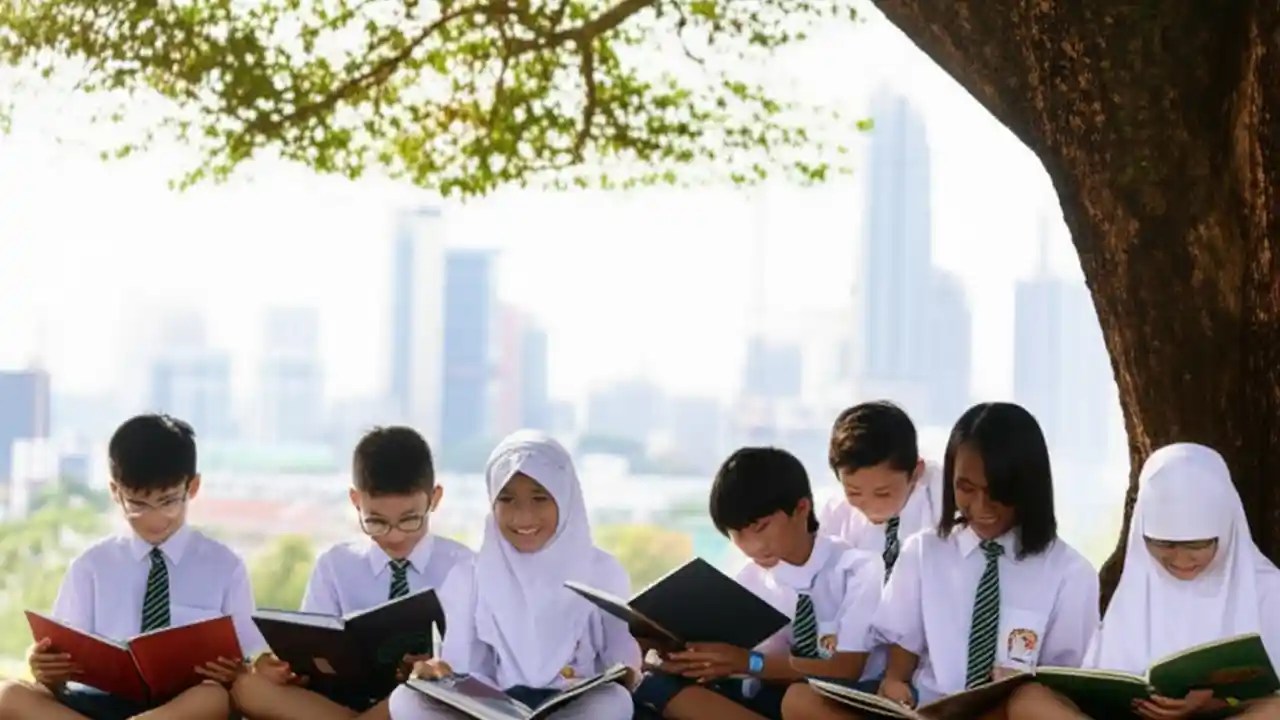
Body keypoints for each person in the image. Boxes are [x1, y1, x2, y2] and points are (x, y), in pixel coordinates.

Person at [785, 402, 1099, 719]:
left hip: (1001, 713)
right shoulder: (924, 551)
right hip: (929, 711)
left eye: (997, 492)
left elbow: (1065, 682)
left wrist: (1018, 684)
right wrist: (894, 681)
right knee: (800, 700)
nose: (980, 506)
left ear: (1029, 486)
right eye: (966, 488)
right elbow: (901, 646)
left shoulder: (1071, 573)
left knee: (1031, 701)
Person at [0, 414, 265, 720]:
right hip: (98, 704)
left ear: (192, 487)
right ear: (115, 492)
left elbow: (249, 667)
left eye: (168, 502)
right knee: (8, 696)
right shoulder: (91, 567)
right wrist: (45, 669)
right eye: (138, 504)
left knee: (213, 698)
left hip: (181, 709)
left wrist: (236, 671)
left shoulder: (225, 567)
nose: (154, 519)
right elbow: (60, 667)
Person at [1007, 443, 1280, 720]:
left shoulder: (1268, 590)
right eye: (1164, 544)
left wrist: (1213, 704)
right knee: (1028, 699)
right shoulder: (1137, 585)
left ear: (1226, 529)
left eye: (1197, 545)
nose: (1181, 560)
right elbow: (1096, 691)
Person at [388, 430, 640, 719]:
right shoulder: (468, 575)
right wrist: (439, 673)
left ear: (565, 496)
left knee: (613, 702)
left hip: (572, 708)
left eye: (539, 498)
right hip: (492, 712)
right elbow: (461, 668)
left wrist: (627, 672)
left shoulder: (602, 571)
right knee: (406, 700)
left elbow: (621, 655)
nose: (523, 516)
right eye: (507, 500)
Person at [231, 426, 472, 720]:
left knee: (417, 696)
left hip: (418, 705)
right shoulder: (336, 565)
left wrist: (434, 668)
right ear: (356, 501)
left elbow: (472, 673)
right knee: (248, 686)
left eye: (410, 520)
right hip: (339, 703)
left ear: (434, 498)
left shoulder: (463, 567)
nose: (395, 536)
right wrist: (285, 670)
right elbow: (311, 654)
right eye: (376, 522)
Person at [634, 447, 884, 720]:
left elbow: (847, 668)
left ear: (801, 509)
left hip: (839, 700)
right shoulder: (746, 580)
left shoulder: (857, 569)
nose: (751, 546)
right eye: (737, 534)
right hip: (763, 697)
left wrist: (748, 661)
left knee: (799, 700)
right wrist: (691, 660)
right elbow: (734, 663)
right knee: (654, 687)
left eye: (761, 528)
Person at [819, 401, 943, 581]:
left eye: (883, 493)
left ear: (916, 472)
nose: (870, 505)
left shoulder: (943, 502)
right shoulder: (836, 515)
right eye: (854, 492)